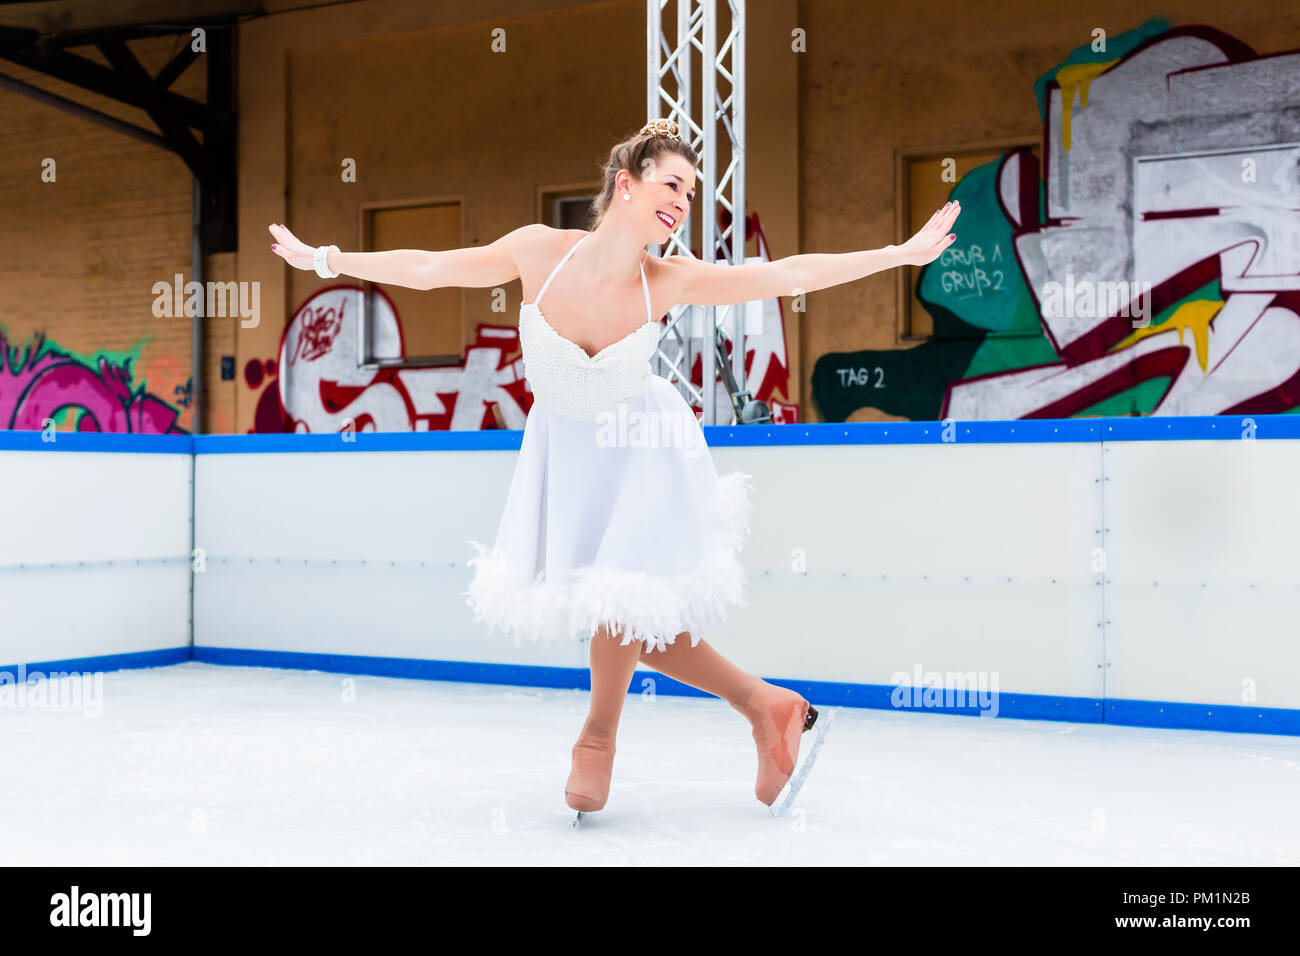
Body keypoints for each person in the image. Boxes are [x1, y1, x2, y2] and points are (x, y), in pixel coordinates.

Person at [268, 118, 960, 817]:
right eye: (672, 183)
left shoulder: (671, 279)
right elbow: (429, 267)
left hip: (641, 449)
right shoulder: (540, 253)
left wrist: (899, 253)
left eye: (691, 192)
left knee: (618, 600)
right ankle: (767, 705)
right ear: (626, 183)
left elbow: (786, 274)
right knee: (641, 624)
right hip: (568, 455)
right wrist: (324, 259)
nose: (683, 201)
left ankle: (598, 738)